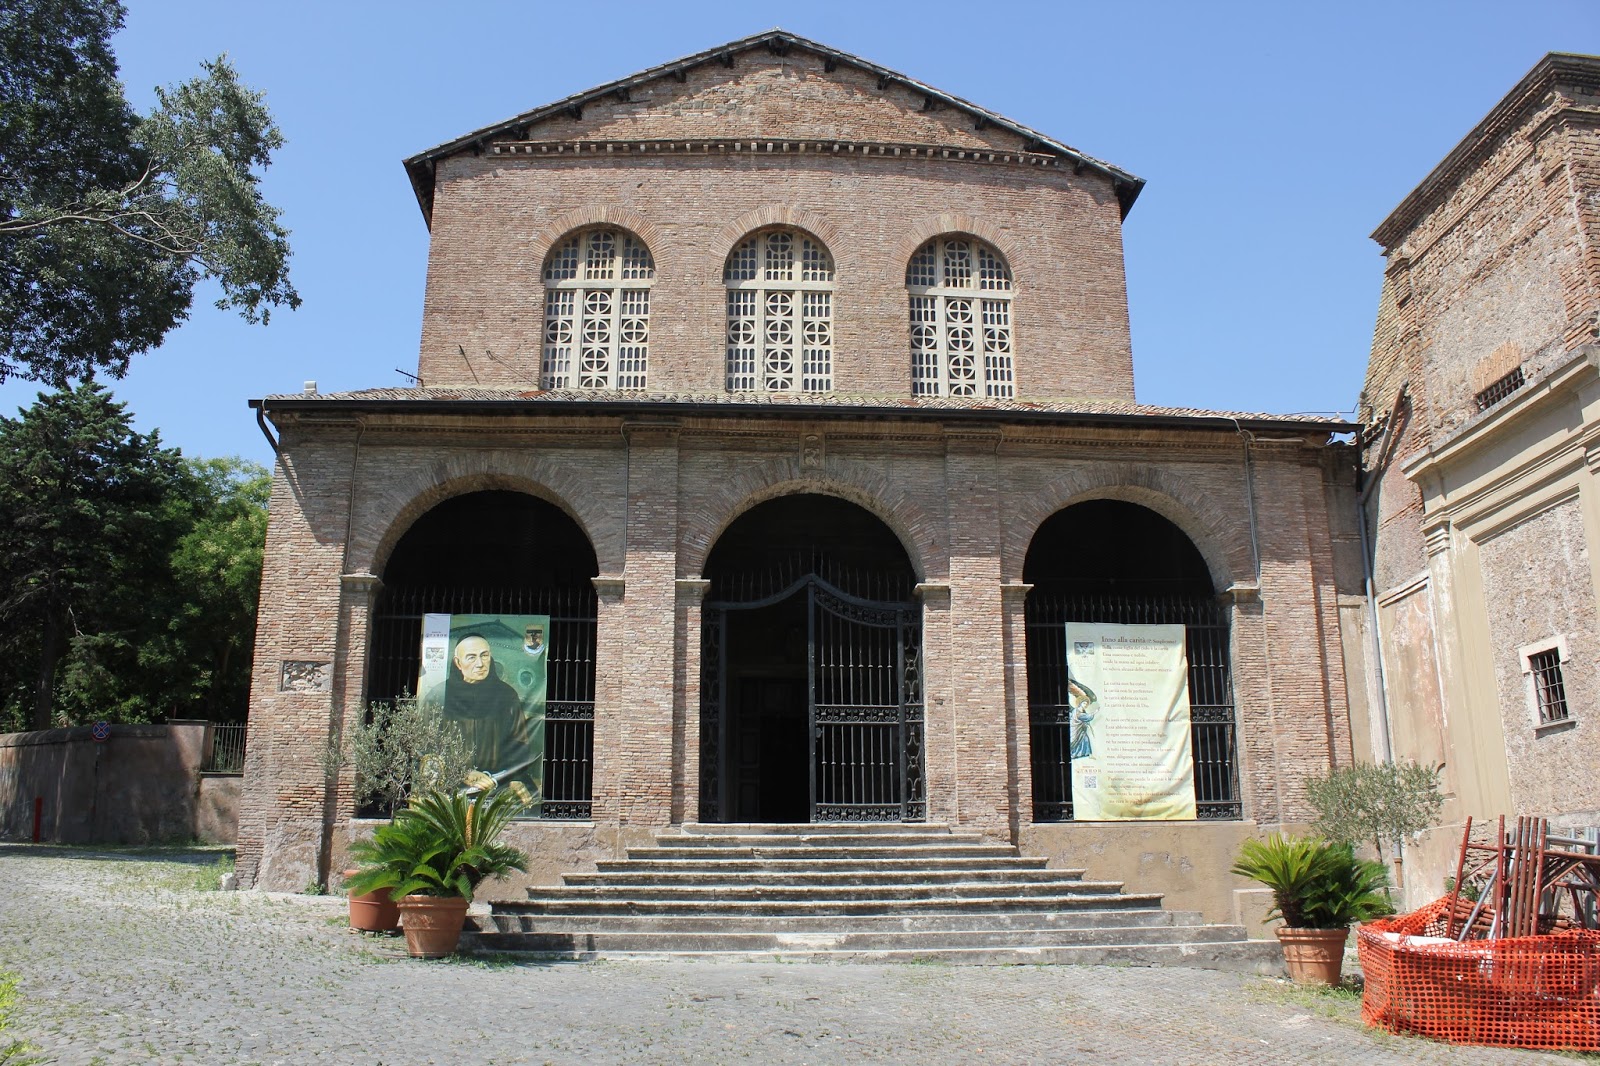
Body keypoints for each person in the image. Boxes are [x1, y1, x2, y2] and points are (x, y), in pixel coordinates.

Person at [423, 633, 534, 785]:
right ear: (458, 663)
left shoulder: (507, 695)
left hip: (497, 782)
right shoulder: (438, 696)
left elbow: (519, 743)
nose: (480, 663)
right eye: (471, 657)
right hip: (450, 782)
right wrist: (461, 772)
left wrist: (501, 778)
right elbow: (426, 747)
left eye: (484, 655)